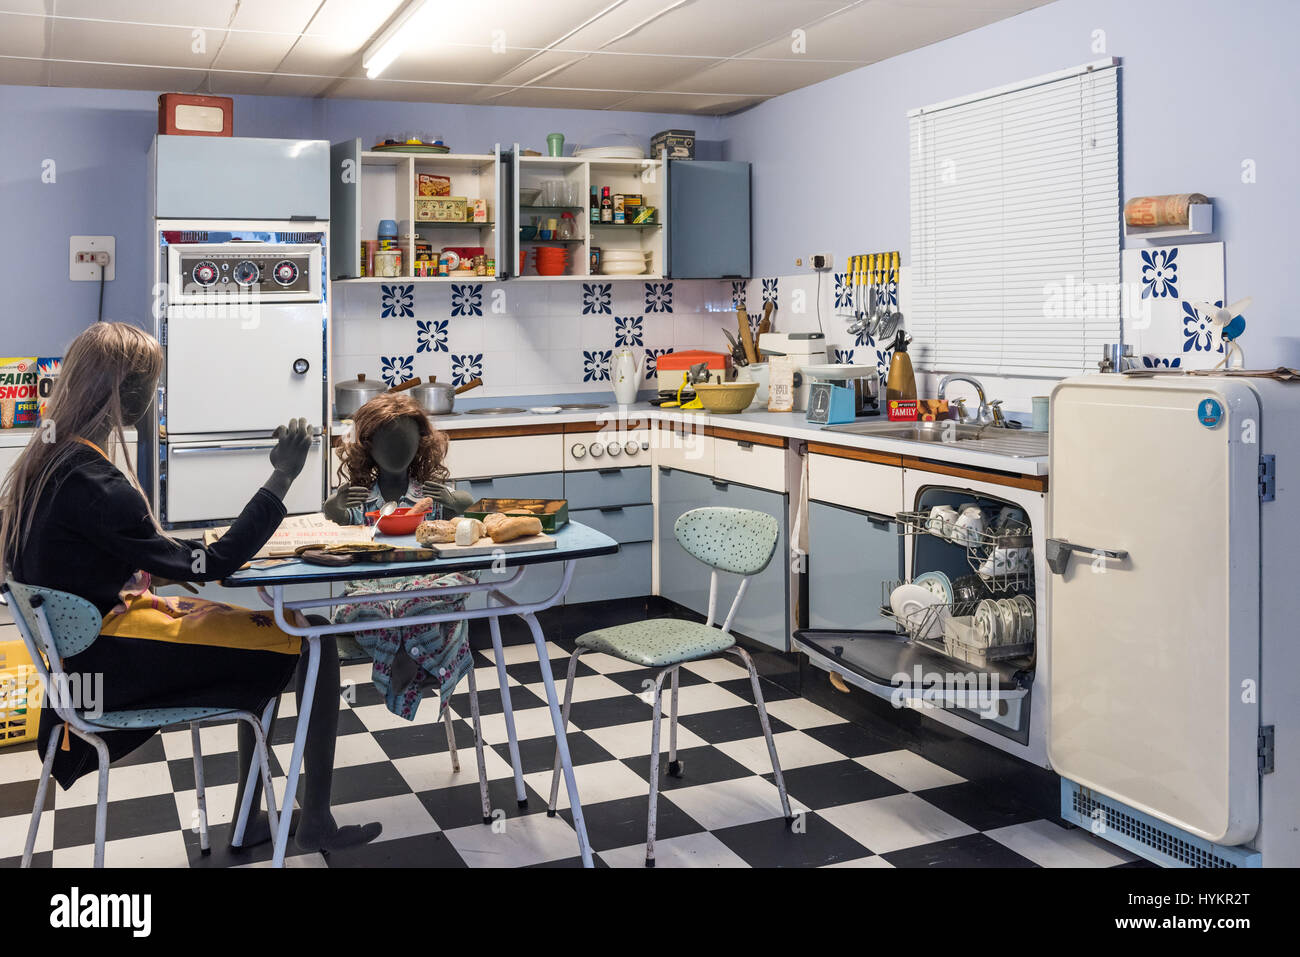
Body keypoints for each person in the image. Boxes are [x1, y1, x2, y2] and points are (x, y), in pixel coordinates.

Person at [0, 322, 379, 854]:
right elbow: (215, 564)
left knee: (275, 634)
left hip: (78, 666)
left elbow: (132, 551)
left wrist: (165, 560)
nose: (154, 396)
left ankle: (251, 819)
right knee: (310, 637)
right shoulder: (97, 482)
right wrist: (281, 478)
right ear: (127, 392)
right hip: (114, 667)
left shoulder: (46, 464)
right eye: (152, 384)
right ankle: (313, 820)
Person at [323, 393, 476, 720]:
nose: (397, 452)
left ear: (420, 445)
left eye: (405, 442)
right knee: (380, 607)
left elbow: (468, 512)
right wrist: (334, 506)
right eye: (387, 444)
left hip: (428, 582)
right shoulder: (363, 499)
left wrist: (454, 500)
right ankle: (413, 656)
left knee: (446, 589)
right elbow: (337, 520)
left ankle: (402, 657)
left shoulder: (430, 494)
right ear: (368, 448)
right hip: (373, 588)